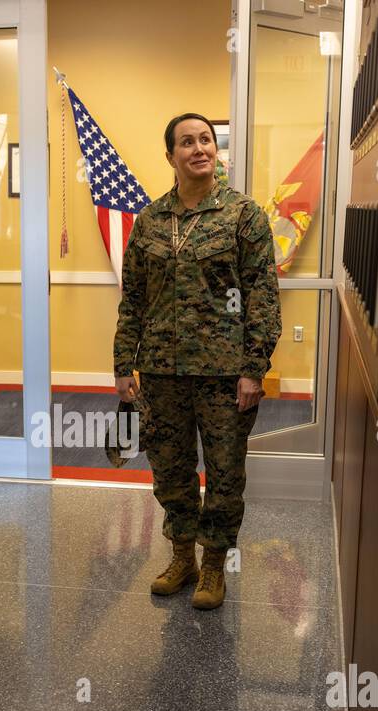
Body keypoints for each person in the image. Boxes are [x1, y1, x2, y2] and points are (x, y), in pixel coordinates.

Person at [114, 112, 281, 610]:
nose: (199, 148)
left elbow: (262, 295)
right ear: (171, 156)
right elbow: (134, 297)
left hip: (224, 374)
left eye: (205, 139)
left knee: (226, 474)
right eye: (187, 142)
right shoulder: (149, 221)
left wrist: (254, 367)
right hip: (162, 371)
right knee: (170, 470)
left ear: (216, 150)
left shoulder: (243, 215)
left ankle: (213, 565)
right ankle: (181, 554)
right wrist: (124, 364)